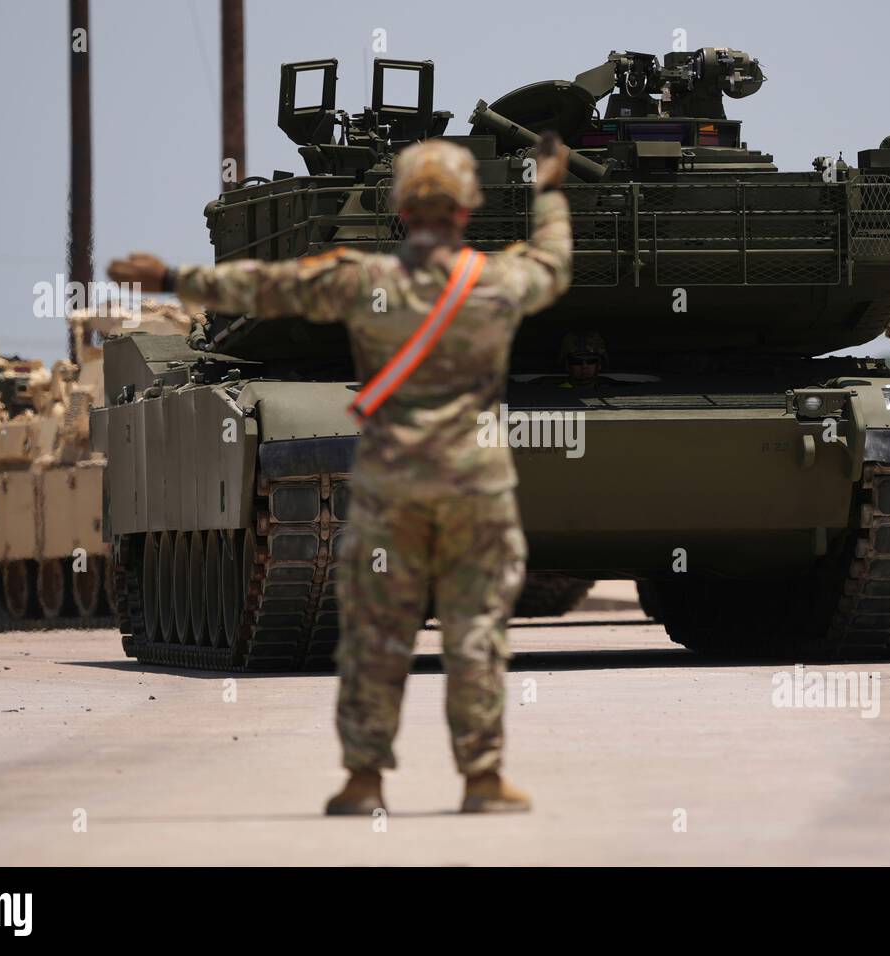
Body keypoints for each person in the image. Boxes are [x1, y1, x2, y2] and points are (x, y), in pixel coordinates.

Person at [108, 134, 573, 815]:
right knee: (475, 630)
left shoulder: (366, 280)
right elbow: (554, 264)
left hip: (388, 485)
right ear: (468, 208)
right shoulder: (498, 281)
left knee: (375, 632)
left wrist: (173, 279)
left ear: (401, 206)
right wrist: (549, 192)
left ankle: (363, 781)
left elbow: (270, 287)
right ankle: (481, 777)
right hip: (476, 485)